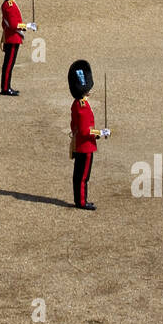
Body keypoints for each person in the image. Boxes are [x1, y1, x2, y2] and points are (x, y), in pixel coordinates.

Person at [68, 59, 109, 211]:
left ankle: (80, 199)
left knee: (79, 176)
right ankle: (82, 201)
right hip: (86, 146)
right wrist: (101, 133)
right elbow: (86, 131)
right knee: (83, 176)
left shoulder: (77, 103)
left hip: (79, 143)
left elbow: (75, 126)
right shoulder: (83, 107)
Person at [0, 0, 35, 96]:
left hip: (12, 37)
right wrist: (27, 26)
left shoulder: (9, 4)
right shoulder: (9, 5)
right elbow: (14, 25)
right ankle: (5, 88)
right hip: (12, 38)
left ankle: (6, 86)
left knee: (9, 64)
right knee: (9, 64)